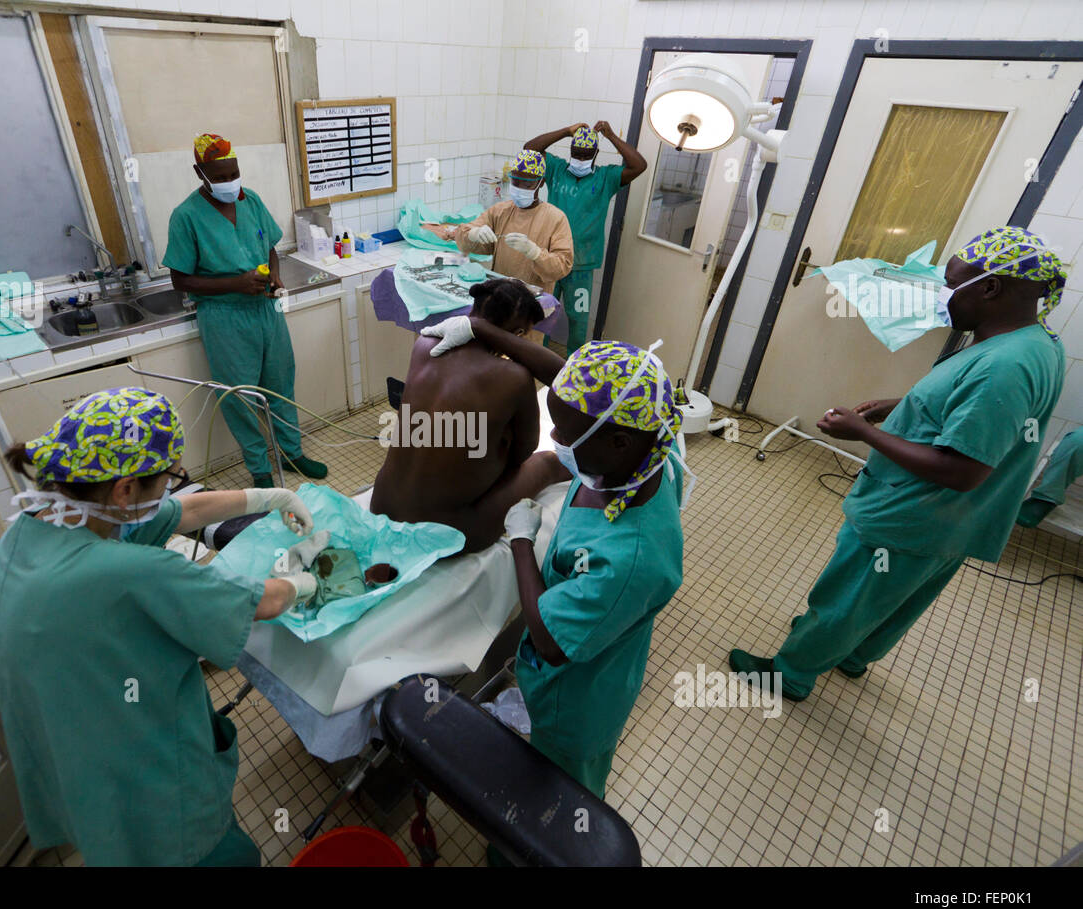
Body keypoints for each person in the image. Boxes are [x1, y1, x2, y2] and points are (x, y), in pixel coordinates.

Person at [730, 226, 1068, 701]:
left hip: (913, 515)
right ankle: (852, 653)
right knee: (896, 597)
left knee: (849, 594)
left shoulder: (1005, 367)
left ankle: (792, 671)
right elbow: (972, 411)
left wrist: (864, 433)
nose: (941, 296)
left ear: (991, 287)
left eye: (952, 285)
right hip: (953, 525)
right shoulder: (1037, 342)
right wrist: (904, 405)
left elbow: (961, 469)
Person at [0, 387, 319, 866]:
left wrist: (272, 497)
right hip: (149, 776)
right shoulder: (128, 572)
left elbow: (185, 511)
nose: (171, 488)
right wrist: (302, 581)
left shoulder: (31, 529)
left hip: (72, 746)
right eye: (168, 478)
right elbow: (260, 603)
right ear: (124, 490)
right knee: (210, 853)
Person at [421, 319, 690, 798]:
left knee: (561, 794)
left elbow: (549, 642)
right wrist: (480, 327)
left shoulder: (631, 557)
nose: (557, 440)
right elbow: (568, 379)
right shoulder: (644, 450)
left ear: (617, 443)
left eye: (565, 433)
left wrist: (522, 541)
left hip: (580, 701)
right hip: (569, 662)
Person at [164, 133, 327, 488]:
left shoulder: (250, 200)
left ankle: (292, 452)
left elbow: (270, 246)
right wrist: (236, 284)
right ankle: (259, 470)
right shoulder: (186, 217)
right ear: (200, 173)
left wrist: (276, 277)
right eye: (219, 176)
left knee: (281, 385)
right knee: (239, 396)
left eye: (233, 173)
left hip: (266, 310)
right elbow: (180, 280)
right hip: (225, 318)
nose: (229, 182)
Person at [369, 277, 569, 552]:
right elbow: (524, 452)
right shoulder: (514, 377)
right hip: (452, 532)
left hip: (382, 506)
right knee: (548, 461)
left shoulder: (425, 345)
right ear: (519, 334)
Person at [524, 122, 648, 355]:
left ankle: (574, 369)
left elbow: (639, 165)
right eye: (576, 153)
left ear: (595, 155)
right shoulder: (557, 170)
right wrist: (564, 131)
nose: (579, 159)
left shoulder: (606, 178)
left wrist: (611, 135)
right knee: (541, 314)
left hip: (581, 266)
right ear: (570, 151)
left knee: (578, 321)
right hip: (549, 260)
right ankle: (537, 359)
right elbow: (530, 149)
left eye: (585, 155)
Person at [449, 148, 574, 295]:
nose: (520, 188)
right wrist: (472, 234)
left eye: (527, 185)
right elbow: (462, 238)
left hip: (533, 304)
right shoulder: (500, 211)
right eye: (515, 181)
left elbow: (562, 266)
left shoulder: (556, 218)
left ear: (541, 183)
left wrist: (534, 252)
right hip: (499, 297)